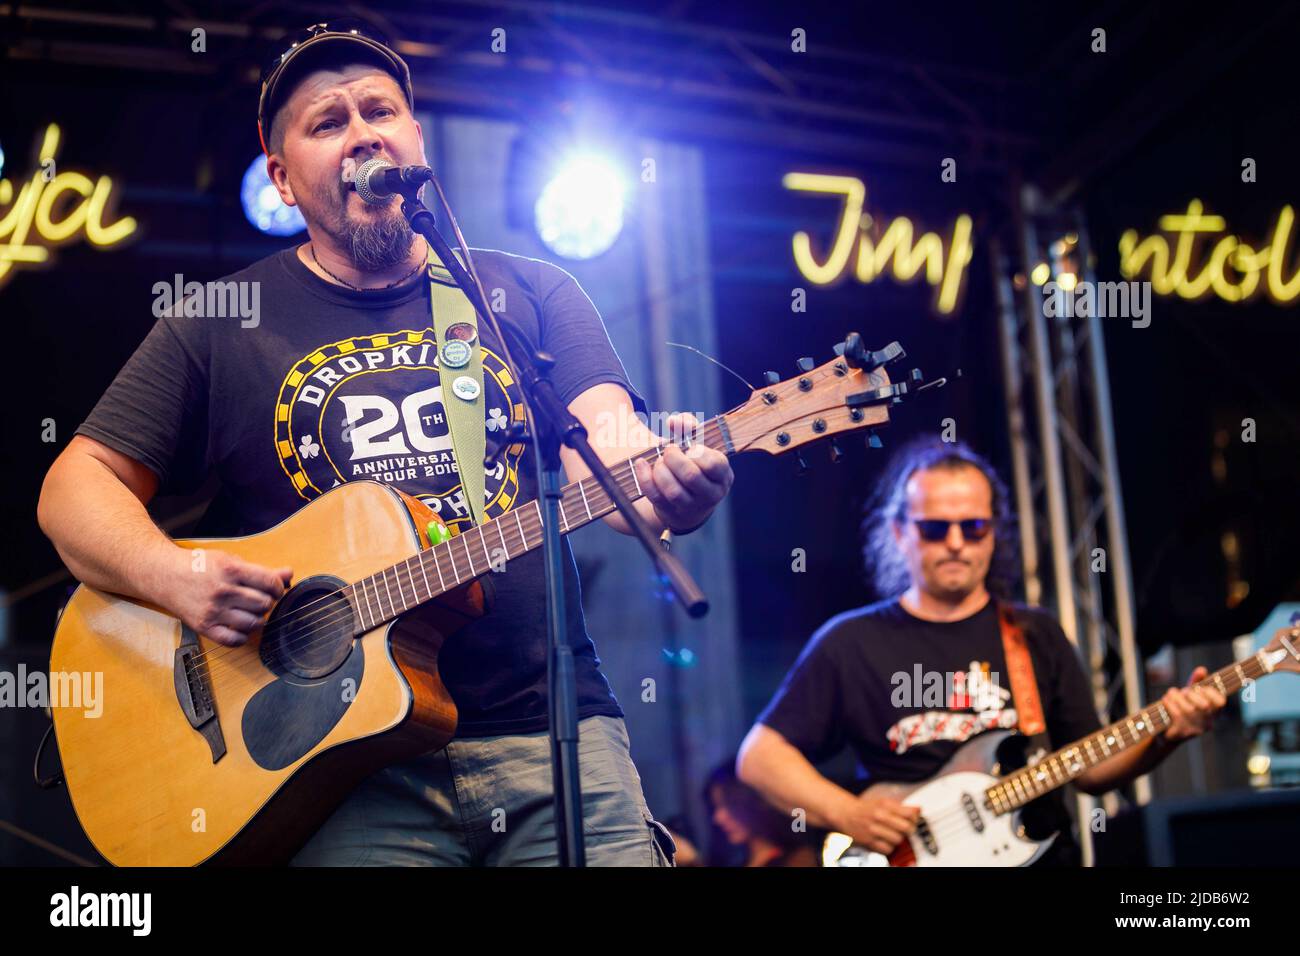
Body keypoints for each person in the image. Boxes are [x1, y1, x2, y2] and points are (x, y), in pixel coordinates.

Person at [36, 20, 733, 867]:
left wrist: (670, 485)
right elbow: (74, 488)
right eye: (328, 122)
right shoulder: (219, 323)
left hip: (553, 735)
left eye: (382, 111)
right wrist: (175, 577)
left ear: (414, 139)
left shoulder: (530, 292)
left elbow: (611, 445)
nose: (363, 132)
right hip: (343, 771)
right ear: (284, 179)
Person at [737, 439, 1225, 866]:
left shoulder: (1034, 633)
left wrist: (1166, 734)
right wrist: (849, 813)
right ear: (899, 532)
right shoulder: (849, 642)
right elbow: (759, 757)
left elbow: (1092, 770)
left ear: (994, 531)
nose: (955, 543)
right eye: (934, 528)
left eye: (973, 527)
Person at [705, 762, 818, 867]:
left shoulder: (798, 859)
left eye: (728, 805)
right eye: (716, 807)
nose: (718, 818)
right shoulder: (739, 862)